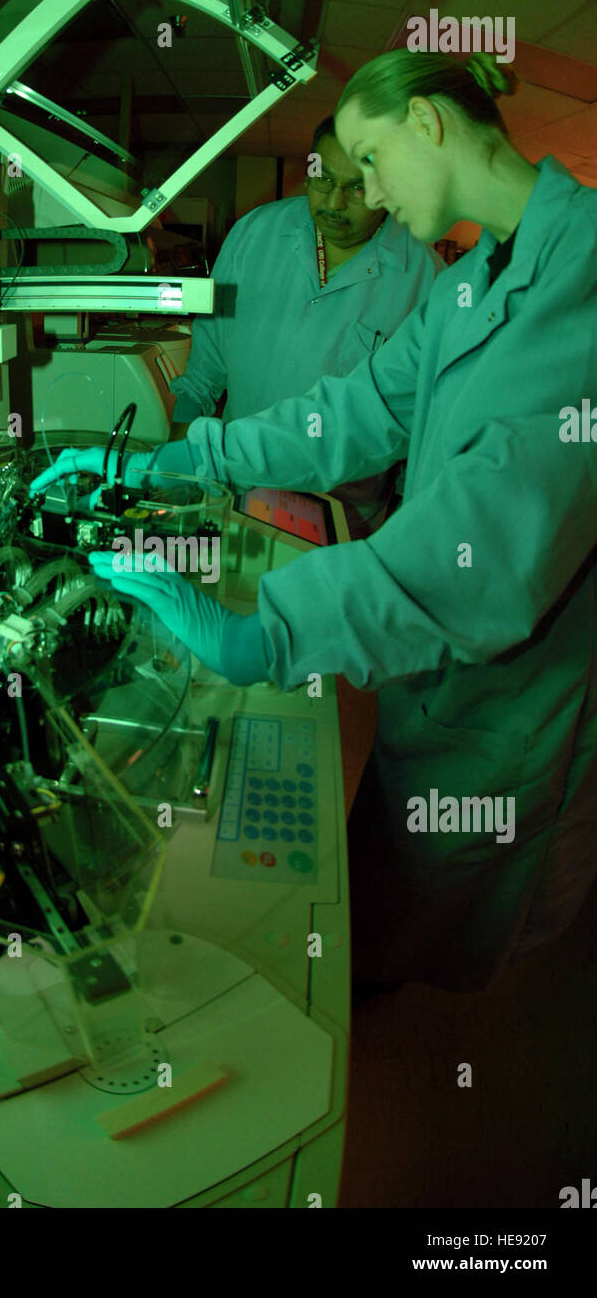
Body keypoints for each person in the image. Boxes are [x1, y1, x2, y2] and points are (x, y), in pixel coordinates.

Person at [30, 50, 597, 995]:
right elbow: (349, 410)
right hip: (433, 674)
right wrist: (179, 457)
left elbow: (489, 545)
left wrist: (268, 633)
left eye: (368, 159)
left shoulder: (579, 280)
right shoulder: (472, 283)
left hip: (516, 694)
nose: (358, 188)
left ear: (426, 122)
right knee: (383, 876)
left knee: (451, 927)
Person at [168, 116, 444, 536]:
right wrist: (178, 459)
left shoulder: (427, 281)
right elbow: (205, 369)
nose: (333, 204)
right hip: (236, 496)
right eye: (323, 178)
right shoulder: (254, 234)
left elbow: (423, 424)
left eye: (357, 188)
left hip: (343, 521)